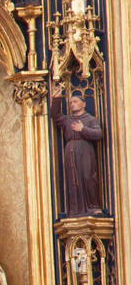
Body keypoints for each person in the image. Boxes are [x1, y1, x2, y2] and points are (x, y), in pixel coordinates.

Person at [49, 81, 104, 216]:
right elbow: (55, 116)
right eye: (71, 102)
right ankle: (75, 209)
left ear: (83, 104)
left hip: (85, 150)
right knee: (73, 179)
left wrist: (82, 129)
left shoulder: (90, 119)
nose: (73, 104)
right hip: (70, 150)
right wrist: (56, 98)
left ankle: (93, 206)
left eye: (75, 101)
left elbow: (98, 134)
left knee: (87, 176)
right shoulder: (68, 120)